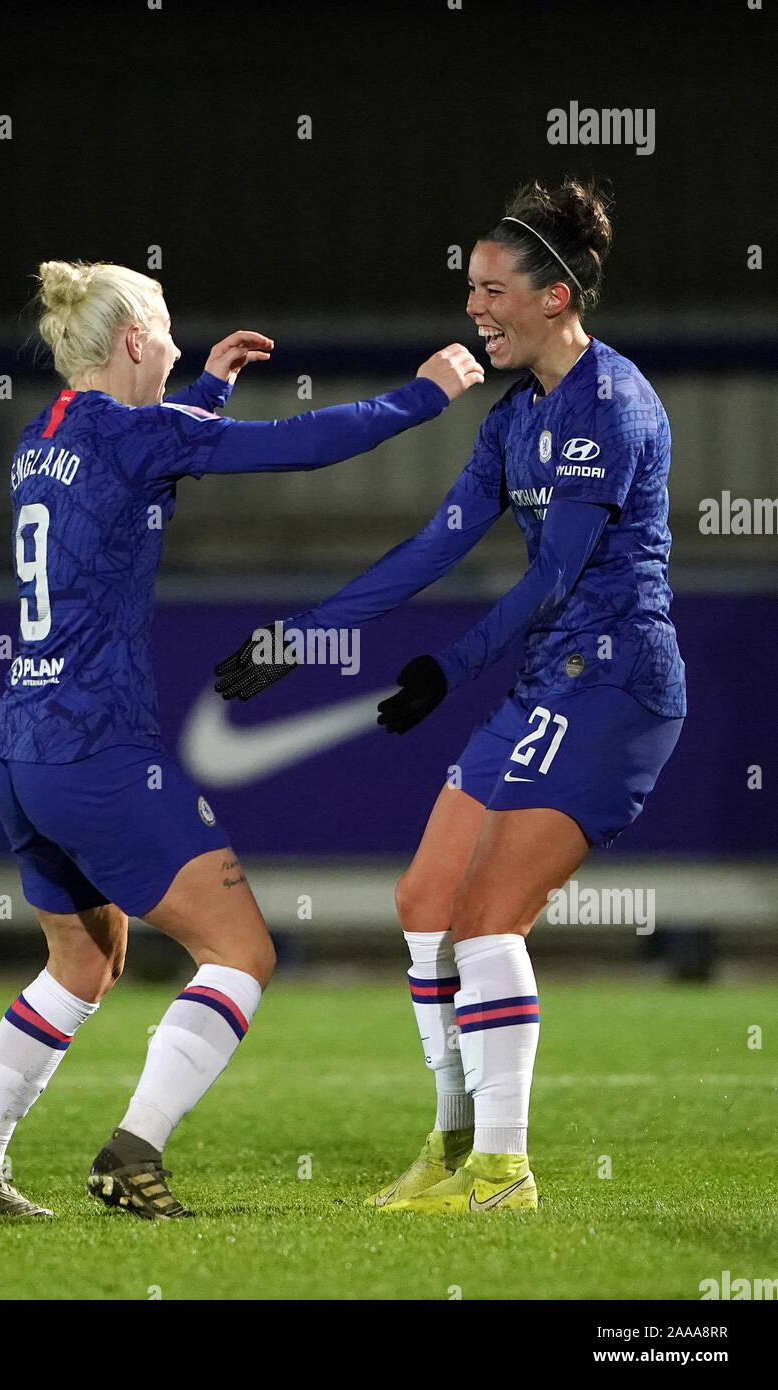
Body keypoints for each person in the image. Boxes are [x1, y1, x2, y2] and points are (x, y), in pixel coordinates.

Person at [0, 258, 484, 1220]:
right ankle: (132, 1154)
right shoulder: (142, 435)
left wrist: (208, 392)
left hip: (15, 742)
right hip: (94, 746)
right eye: (170, 332)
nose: (180, 346)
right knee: (240, 952)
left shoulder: (41, 433)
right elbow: (303, 444)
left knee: (83, 962)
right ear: (135, 341)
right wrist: (423, 396)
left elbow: (145, 451)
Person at [215, 179, 687, 1214]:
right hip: (544, 678)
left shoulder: (609, 404)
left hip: (614, 679)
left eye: (491, 289)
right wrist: (304, 637)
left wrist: (446, 669)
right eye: (468, 288)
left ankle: (504, 1171)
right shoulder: (514, 418)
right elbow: (433, 546)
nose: (474, 308)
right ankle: (453, 1139)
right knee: (425, 900)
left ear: (556, 296)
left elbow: (555, 577)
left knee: (484, 917)